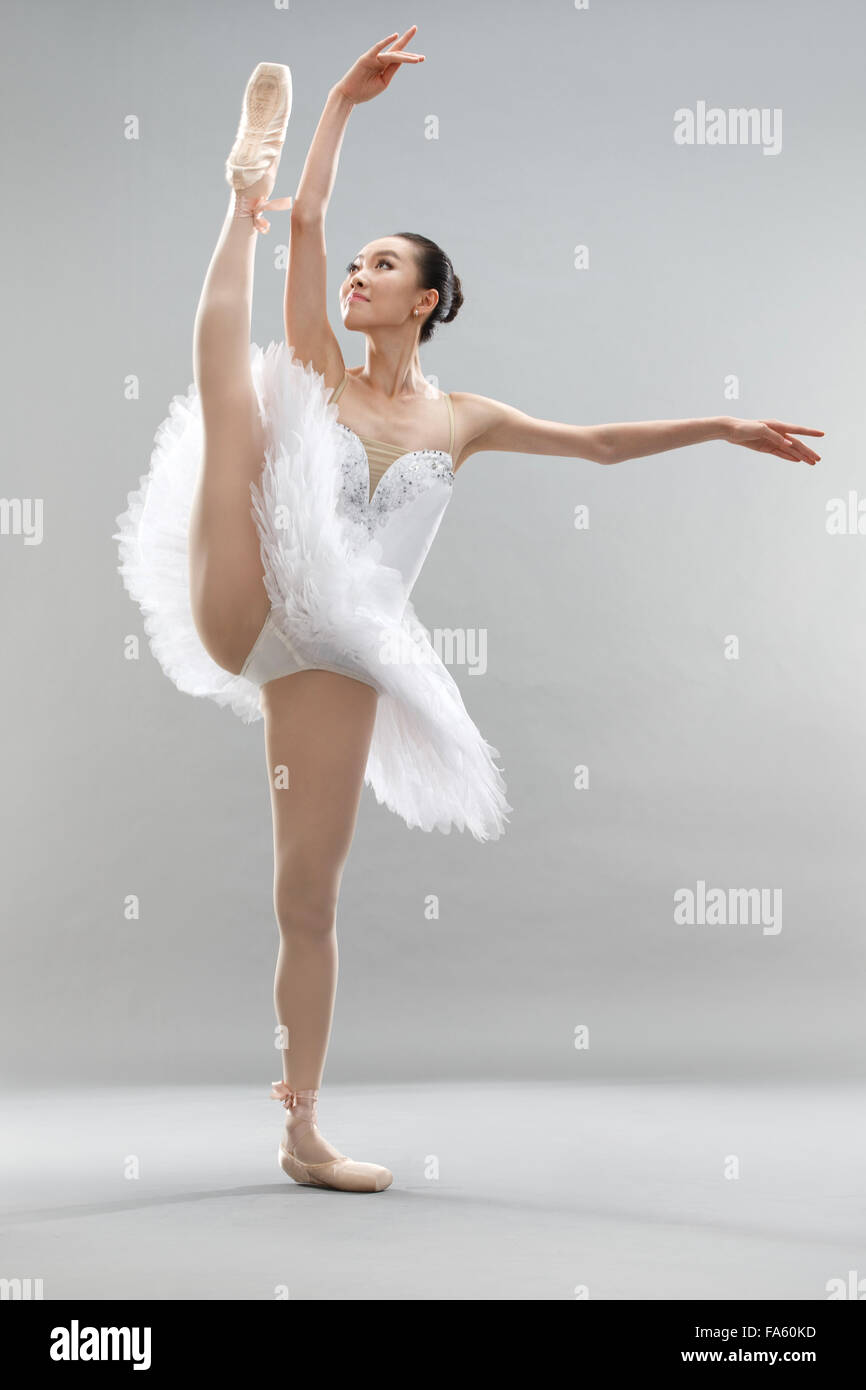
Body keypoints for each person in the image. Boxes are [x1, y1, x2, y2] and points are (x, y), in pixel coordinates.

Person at [114, 30, 823, 1194]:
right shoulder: (319, 365)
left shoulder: (464, 418)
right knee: (233, 393)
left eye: (381, 267)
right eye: (357, 265)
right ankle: (236, 192)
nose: (356, 276)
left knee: (308, 899)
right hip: (251, 584)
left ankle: (300, 1131)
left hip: (336, 644)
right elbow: (315, 221)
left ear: (426, 299)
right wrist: (339, 100)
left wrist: (721, 423)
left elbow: (592, 445)